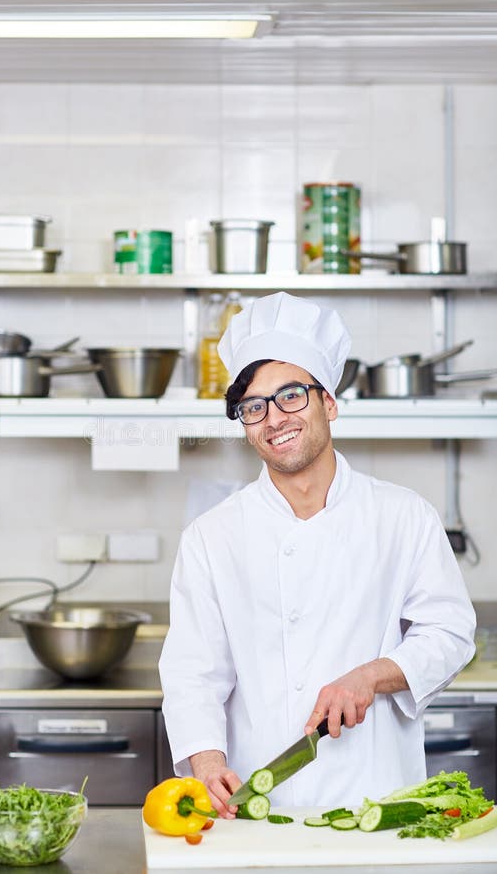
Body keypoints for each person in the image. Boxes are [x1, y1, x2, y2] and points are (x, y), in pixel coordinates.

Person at [159, 291, 476, 818]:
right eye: (253, 406)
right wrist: (207, 763)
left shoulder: (403, 516)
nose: (274, 417)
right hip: (256, 805)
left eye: (291, 395)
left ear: (328, 402)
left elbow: (449, 633)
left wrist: (371, 675)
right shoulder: (212, 536)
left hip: (375, 801)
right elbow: (194, 671)